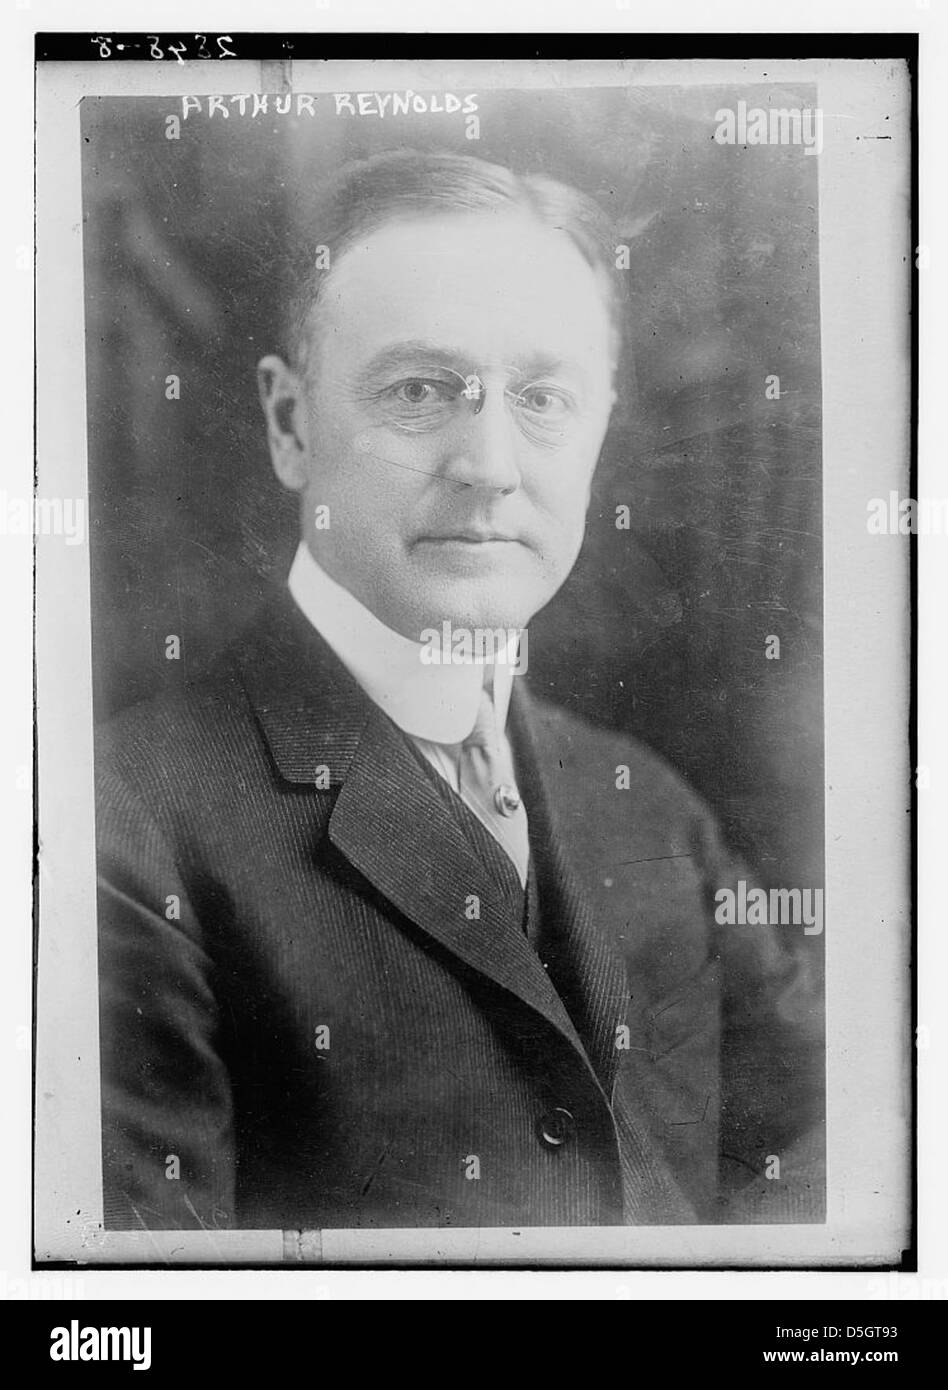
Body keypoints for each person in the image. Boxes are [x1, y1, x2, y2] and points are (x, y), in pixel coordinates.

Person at [96, 149, 823, 1232]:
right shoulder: (119, 828)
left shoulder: (652, 807)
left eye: (543, 397)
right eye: (420, 391)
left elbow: (852, 1152)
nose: (489, 463)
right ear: (290, 424)